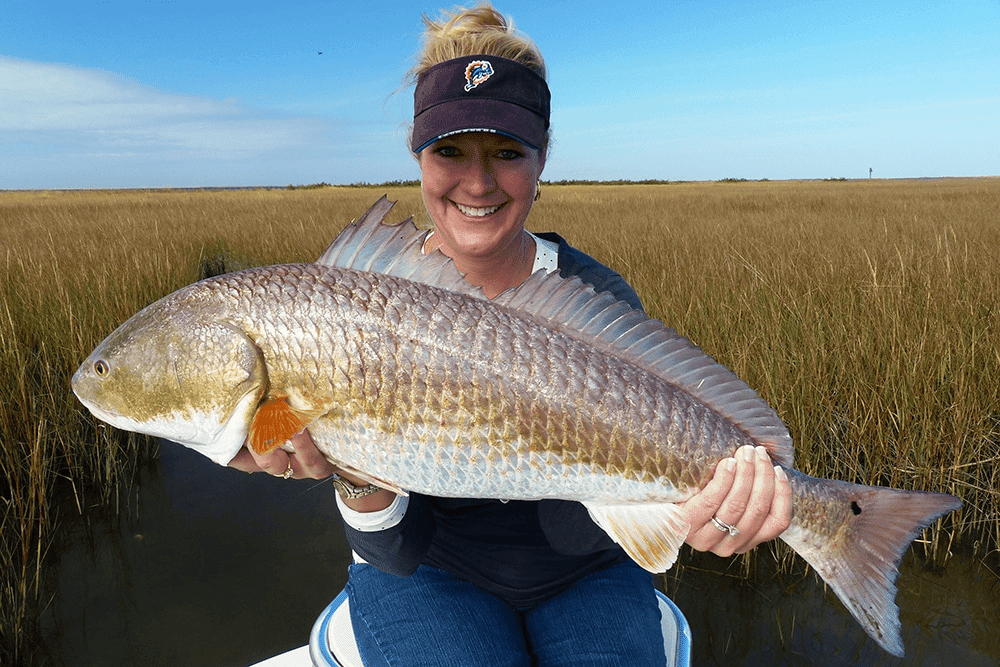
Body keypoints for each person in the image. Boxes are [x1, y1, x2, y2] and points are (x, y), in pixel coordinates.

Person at [230, 3, 792, 665]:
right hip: (428, 574)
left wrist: (722, 505)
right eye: (449, 151)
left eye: (506, 152)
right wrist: (351, 473)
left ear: (543, 155)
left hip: (588, 571)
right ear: (417, 153)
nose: (477, 181)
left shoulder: (598, 297)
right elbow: (394, 551)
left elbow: (591, 524)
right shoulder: (351, 306)